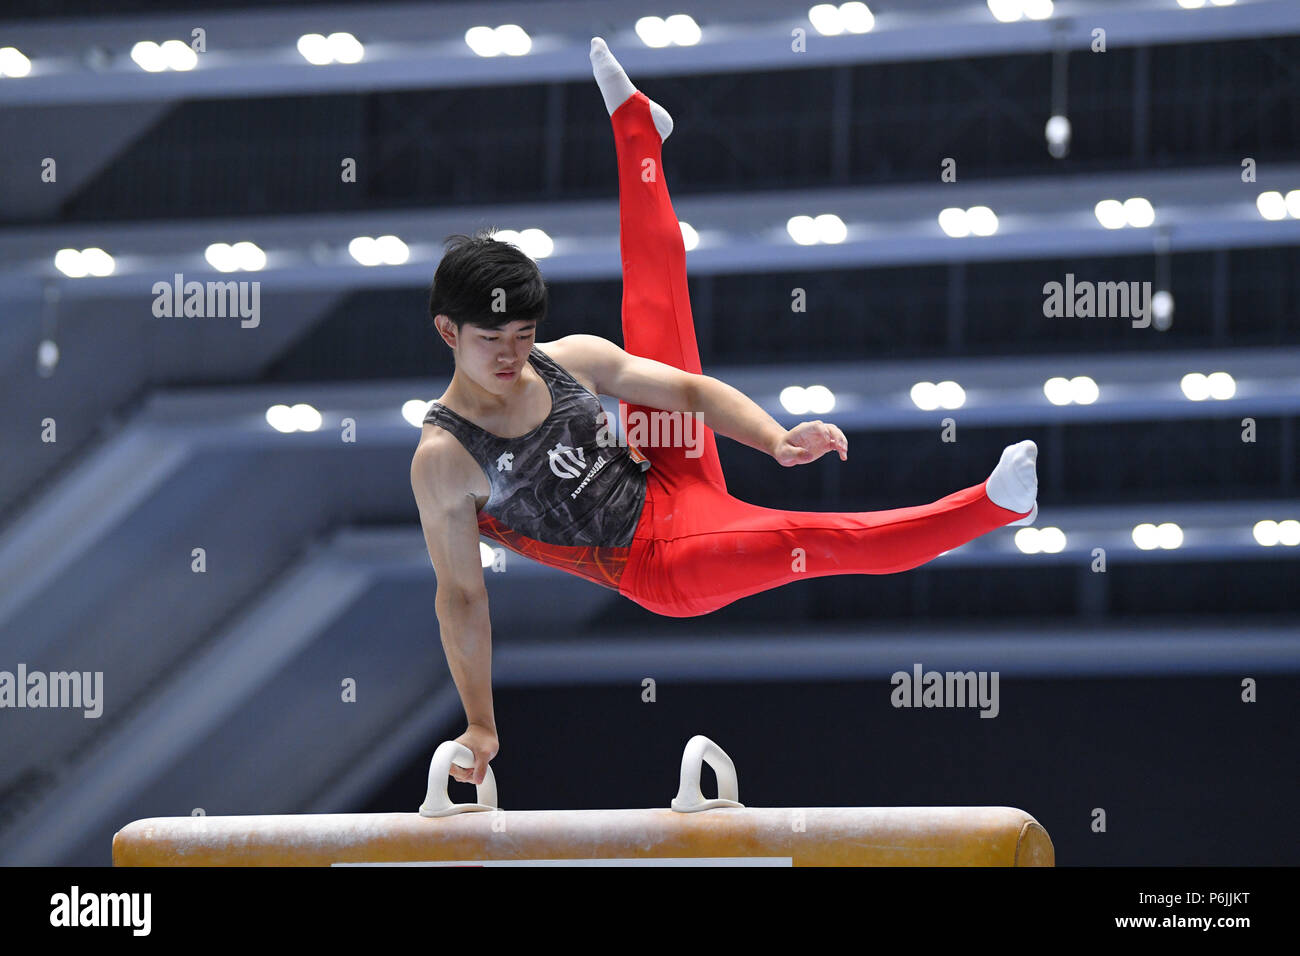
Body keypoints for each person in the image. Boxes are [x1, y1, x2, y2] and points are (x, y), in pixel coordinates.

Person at [410, 38, 1039, 787]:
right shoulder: (445, 461)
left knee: (654, 302)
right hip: (660, 561)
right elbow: (462, 597)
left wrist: (775, 440)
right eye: (492, 342)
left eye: (524, 335)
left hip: (670, 474)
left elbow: (692, 392)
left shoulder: (565, 359)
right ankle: (995, 509)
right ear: (448, 332)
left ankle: (638, 130)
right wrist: (481, 723)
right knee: (818, 539)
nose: (513, 357)